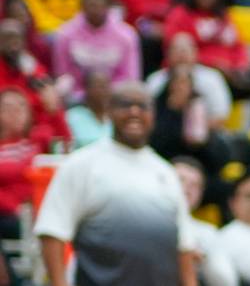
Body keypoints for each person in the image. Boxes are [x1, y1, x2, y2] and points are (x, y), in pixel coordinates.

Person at [34, 82, 198, 286]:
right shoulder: (81, 164)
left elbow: (184, 245)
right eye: (125, 104)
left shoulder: (165, 172)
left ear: (153, 115)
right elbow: (52, 231)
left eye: (143, 106)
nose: (134, 112)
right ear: (109, 111)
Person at [148, 67, 231, 203]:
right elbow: (155, 144)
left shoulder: (199, 109)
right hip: (165, 166)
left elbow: (219, 157)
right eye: (177, 83)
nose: (181, 88)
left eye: (185, 83)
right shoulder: (157, 110)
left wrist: (205, 140)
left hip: (198, 167)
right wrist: (174, 113)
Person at [165, 0, 250, 96]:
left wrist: (241, 65)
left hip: (230, 71)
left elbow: (239, 45)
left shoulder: (223, 16)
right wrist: (214, 64)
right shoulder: (181, 14)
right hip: (195, 69)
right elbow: (175, 49)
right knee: (214, 80)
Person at [51, 0, 141, 102]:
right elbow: (62, 73)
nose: (94, 10)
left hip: (114, 97)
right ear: (82, 7)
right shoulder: (65, 34)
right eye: (90, 5)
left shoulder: (126, 35)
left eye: (98, 6)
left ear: (108, 6)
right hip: (77, 96)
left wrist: (104, 93)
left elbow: (130, 76)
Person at [0, 19, 69, 146]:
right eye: (7, 39)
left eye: (17, 39)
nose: (13, 45)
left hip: (29, 138)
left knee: (46, 133)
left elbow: (50, 109)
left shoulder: (34, 71)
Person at [0, 89, 43, 283]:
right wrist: (12, 206)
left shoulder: (36, 142)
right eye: (7, 108)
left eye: (21, 106)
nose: (15, 112)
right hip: (9, 215)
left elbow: (62, 136)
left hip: (38, 213)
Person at [173, 157, 237, 286]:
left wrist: (204, 259)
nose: (187, 188)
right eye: (181, 180)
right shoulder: (140, 219)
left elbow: (226, 281)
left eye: (195, 185)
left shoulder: (207, 232)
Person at [147, 34, 233, 129]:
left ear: (196, 53)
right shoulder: (156, 80)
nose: (181, 55)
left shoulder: (212, 78)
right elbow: (148, 114)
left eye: (185, 50)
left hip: (205, 136)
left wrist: (194, 128)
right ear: (167, 54)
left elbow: (221, 116)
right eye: (176, 50)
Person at [65, 73, 112, 148]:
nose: (105, 91)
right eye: (100, 87)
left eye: (107, 86)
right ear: (87, 89)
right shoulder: (72, 116)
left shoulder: (116, 118)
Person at [2, 0, 50, 68]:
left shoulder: (39, 44)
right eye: (16, 15)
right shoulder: (5, 48)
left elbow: (43, 72)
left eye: (24, 13)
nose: (23, 19)